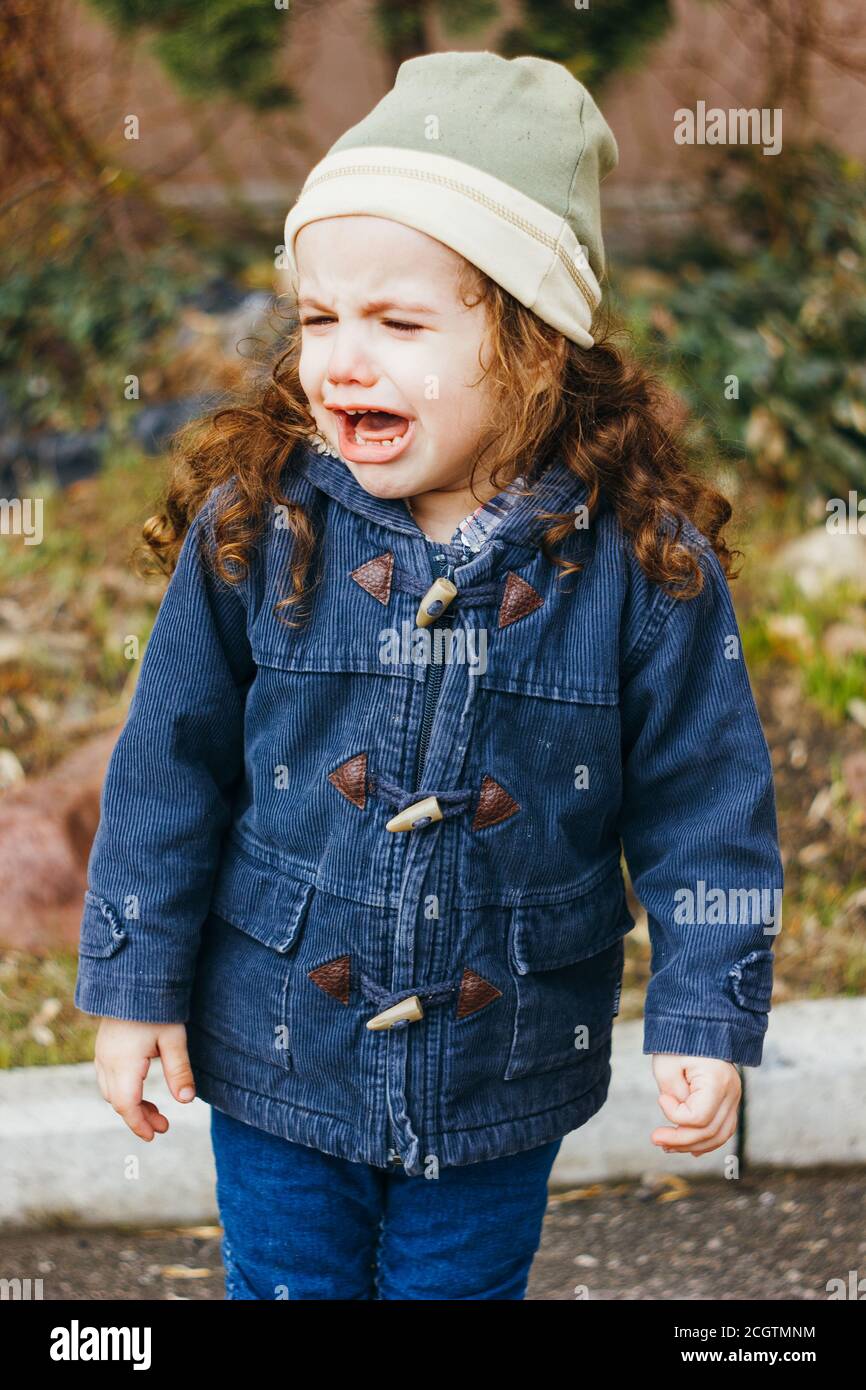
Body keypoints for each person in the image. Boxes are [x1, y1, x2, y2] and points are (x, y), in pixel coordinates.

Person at [74, 51, 784, 1300]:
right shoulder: (264, 525)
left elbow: (705, 806)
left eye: (400, 324)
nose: (344, 359)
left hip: (499, 1060)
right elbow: (166, 767)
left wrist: (703, 1015)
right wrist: (133, 987)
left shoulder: (637, 560)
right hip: (277, 1042)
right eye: (318, 317)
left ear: (533, 343)